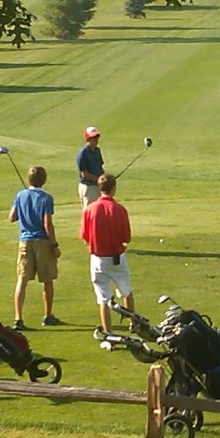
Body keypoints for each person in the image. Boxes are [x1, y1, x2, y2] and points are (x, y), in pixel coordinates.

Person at [80, 173, 134, 333]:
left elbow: (84, 236)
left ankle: (108, 332)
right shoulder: (120, 209)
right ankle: (133, 324)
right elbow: (126, 238)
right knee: (126, 292)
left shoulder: (90, 209)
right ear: (113, 188)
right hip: (117, 258)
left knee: (103, 299)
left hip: (98, 259)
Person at [8, 165, 61, 329]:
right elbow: (47, 224)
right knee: (47, 280)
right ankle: (48, 316)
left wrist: (24, 207)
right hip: (42, 242)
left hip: (25, 241)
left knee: (22, 280)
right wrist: (54, 245)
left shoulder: (20, 195)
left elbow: (12, 217)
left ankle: (18, 318)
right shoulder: (46, 198)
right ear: (44, 180)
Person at [76, 126, 104, 208]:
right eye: (93, 138)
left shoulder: (97, 151)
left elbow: (100, 167)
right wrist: (99, 180)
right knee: (89, 211)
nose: (96, 140)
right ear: (88, 139)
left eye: (97, 137)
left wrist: (104, 179)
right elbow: (84, 174)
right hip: (88, 187)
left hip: (97, 186)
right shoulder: (83, 153)